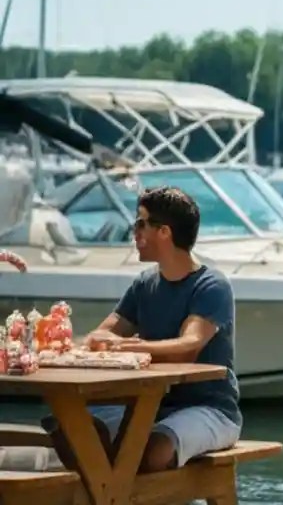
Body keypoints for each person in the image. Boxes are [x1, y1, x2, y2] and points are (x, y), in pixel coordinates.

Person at [43, 186, 241, 473]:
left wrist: (123, 346)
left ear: (164, 232)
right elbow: (101, 337)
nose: (134, 232)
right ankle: (108, 492)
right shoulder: (144, 284)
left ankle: (114, 487)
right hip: (144, 409)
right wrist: (62, 343)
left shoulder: (211, 285)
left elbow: (188, 346)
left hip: (208, 409)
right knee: (69, 430)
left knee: (150, 451)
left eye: (140, 223)